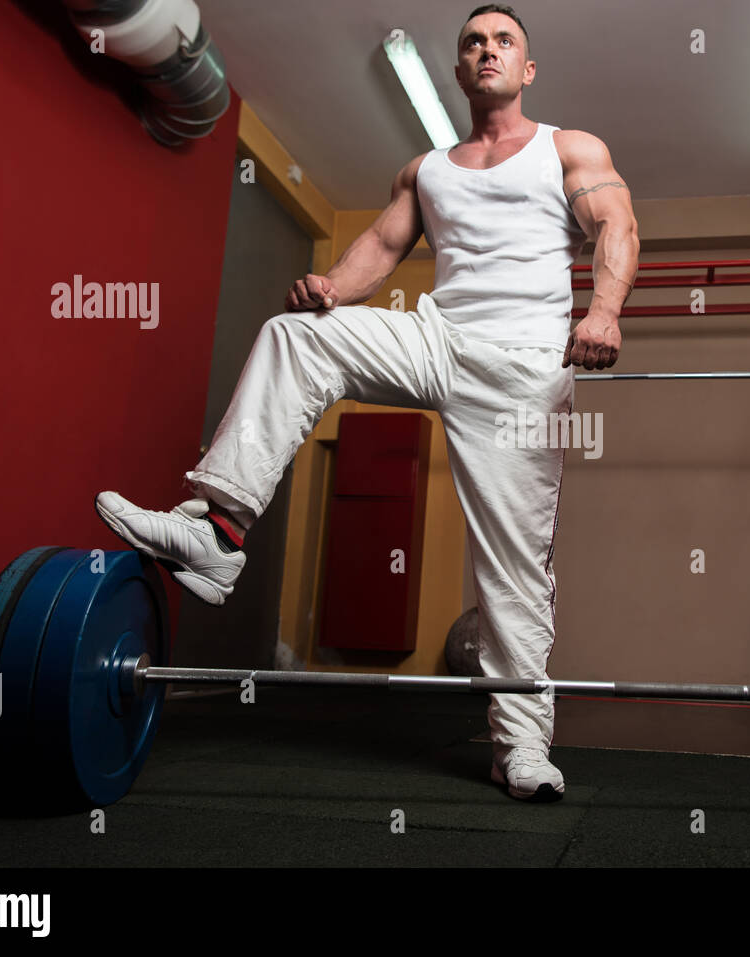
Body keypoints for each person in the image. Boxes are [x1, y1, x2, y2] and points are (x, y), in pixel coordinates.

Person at [95, 4, 640, 802]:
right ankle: (216, 529)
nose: (486, 50)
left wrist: (604, 311)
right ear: (459, 71)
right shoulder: (427, 170)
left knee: (515, 573)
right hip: (436, 338)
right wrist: (330, 289)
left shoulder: (570, 148)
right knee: (296, 336)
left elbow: (617, 224)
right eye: (473, 43)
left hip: (525, 369)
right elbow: (381, 249)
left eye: (504, 42)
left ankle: (521, 748)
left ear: (527, 70)